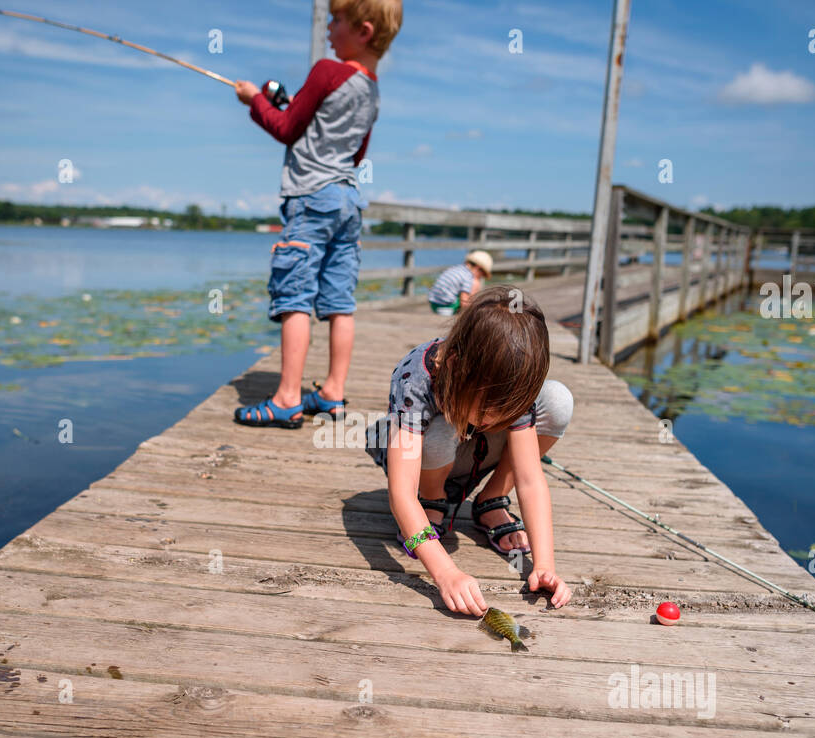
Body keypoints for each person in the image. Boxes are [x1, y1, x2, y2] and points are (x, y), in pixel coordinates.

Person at [232, 0, 404, 427]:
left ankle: (288, 398)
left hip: (311, 198)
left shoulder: (327, 71)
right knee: (340, 303)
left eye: (337, 20)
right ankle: (332, 392)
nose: (329, 27)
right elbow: (354, 151)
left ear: (363, 31)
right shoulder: (372, 91)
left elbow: (287, 128)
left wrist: (255, 100)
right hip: (348, 200)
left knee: (294, 298)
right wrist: (289, 105)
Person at [367, 286, 574, 615]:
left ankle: (490, 500)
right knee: (440, 429)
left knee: (558, 400)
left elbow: (530, 480)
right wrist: (446, 573)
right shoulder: (416, 379)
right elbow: (400, 496)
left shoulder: (509, 383)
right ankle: (433, 501)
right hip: (420, 460)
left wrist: (544, 565)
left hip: (468, 448)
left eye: (509, 410)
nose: (500, 420)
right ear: (455, 364)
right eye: (491, 410)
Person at [428, 250, 492, 315]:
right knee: (476, 283)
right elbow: (464, 302)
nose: (481, 277)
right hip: (447, 307)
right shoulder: (468, 276)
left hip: (434, 304)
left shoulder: (456, 268)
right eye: (483, 274)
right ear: (478, 268)